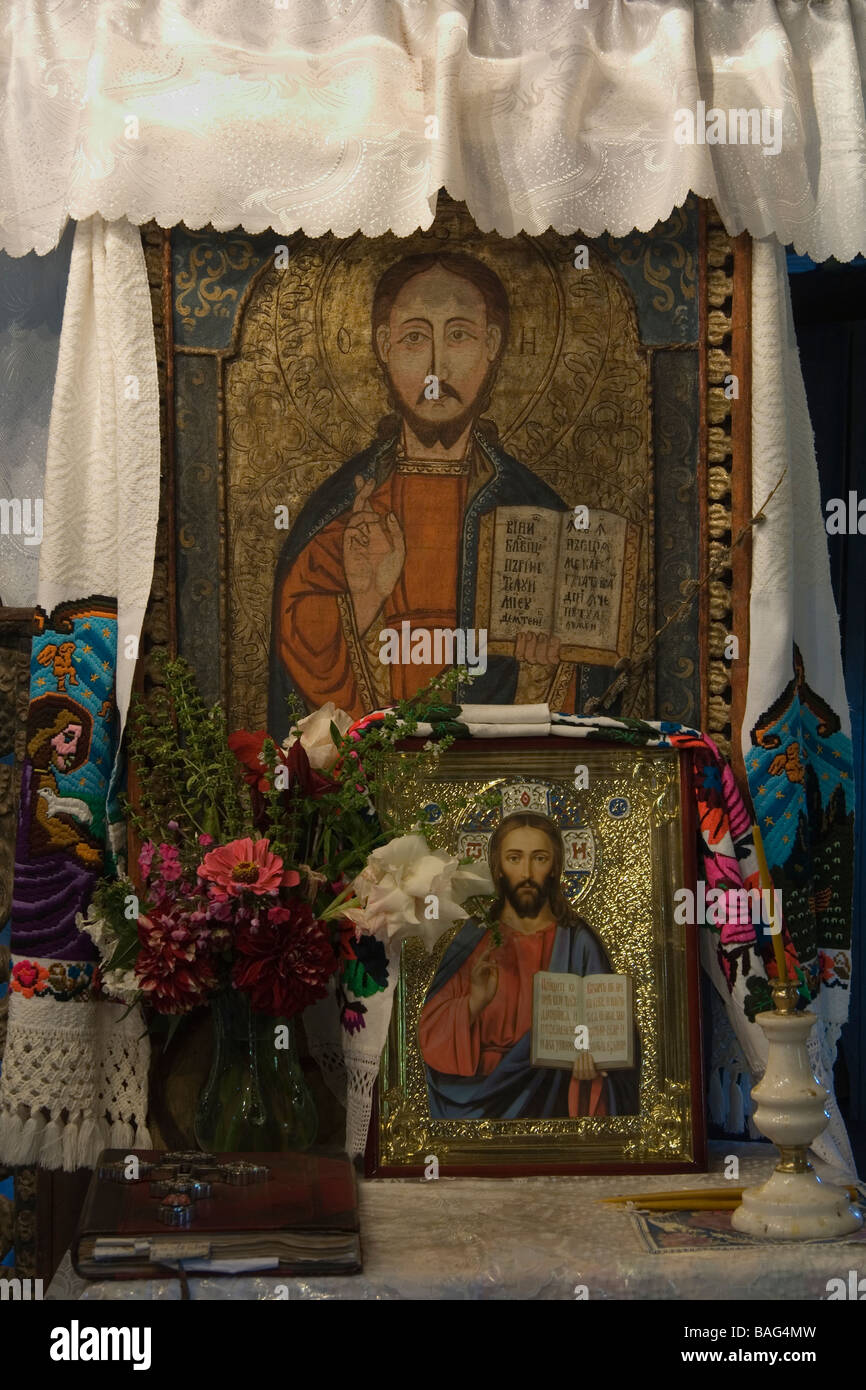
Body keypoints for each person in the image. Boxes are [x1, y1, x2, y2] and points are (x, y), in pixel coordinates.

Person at [268, 251, 575, 738]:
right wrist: (364, 600)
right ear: (384, 346)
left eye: (459, 335)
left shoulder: (535, 511)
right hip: (376, 784)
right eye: (415, 337)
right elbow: (301, 647)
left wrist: (545, 666)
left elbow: (584, 669)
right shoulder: (345, 513)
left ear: (491, 345)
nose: (436, 368)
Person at [418, 811, 639, 1119]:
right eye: (514, 858)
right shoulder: (475, 939)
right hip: (478, 1098)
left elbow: (613, 1029)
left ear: (555, 867)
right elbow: (429, 1033)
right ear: (497, 867)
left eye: (539, 858)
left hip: (555, 1095)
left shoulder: (578, 942)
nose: (526, 872)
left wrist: (592, 1056)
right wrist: (473, 1003)